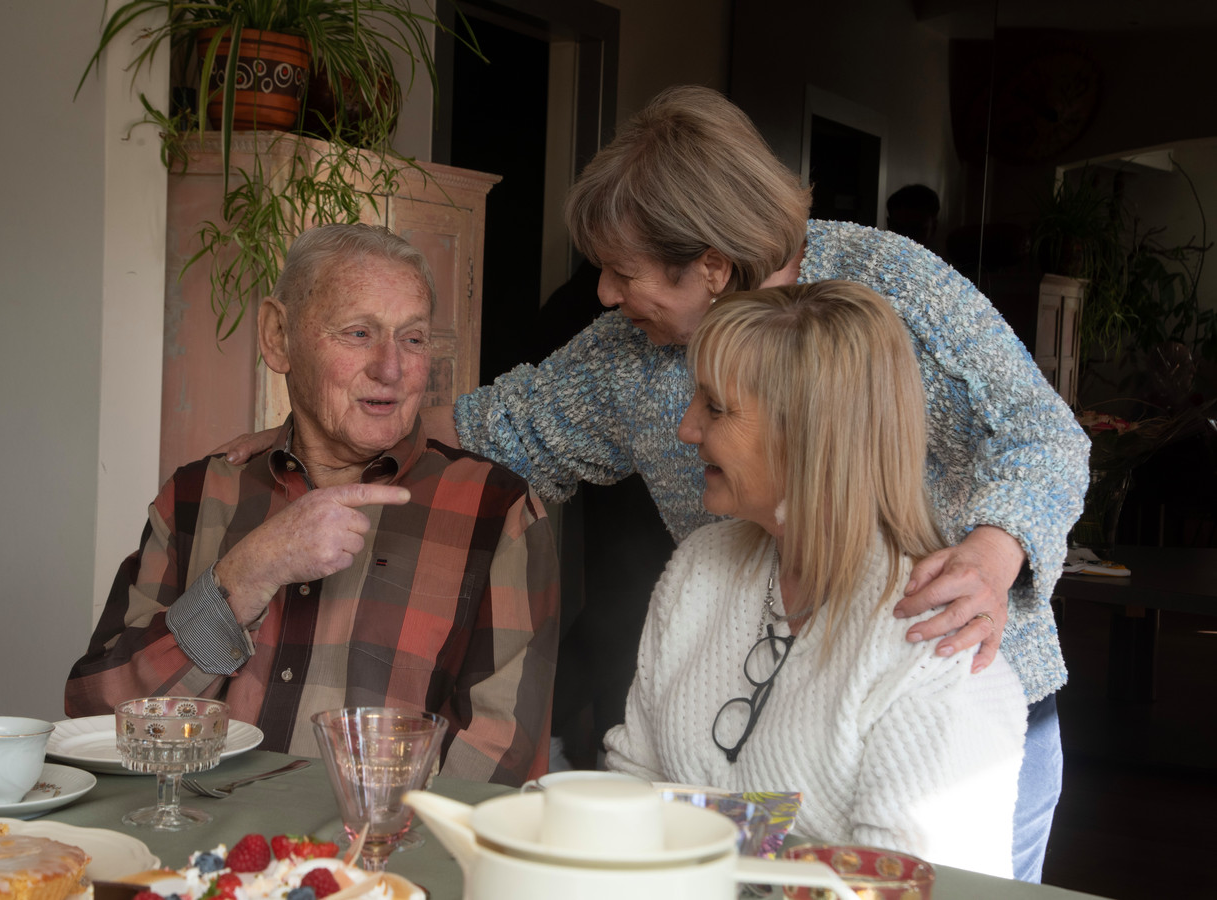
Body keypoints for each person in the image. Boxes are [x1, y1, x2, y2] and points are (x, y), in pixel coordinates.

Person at [219, 86, 1088, 880]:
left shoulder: (890, 287)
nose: (602, 293)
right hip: (752, 703)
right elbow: (495, 428)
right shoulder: (631, 363)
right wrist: (309, 439)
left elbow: (1044, 432)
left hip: (943, 652)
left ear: (710, 266)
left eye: (623, 271)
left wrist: (990, 552)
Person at [65, 224, 560, 786]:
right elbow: (95, 717)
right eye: (357, 333)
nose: (391, 368)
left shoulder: (498, 514)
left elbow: (499, 766)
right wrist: (242, 578)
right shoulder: (196, 497)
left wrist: (348, 857)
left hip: (378, 864)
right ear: (278, 337)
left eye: (414, 338)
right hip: (194, 855)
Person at [605, 282, 1027, 877]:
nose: (687, 429)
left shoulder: (936, 645)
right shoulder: (701, 568)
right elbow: (635, 783)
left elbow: (894, 885)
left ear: (808, 435)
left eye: (716, 407)